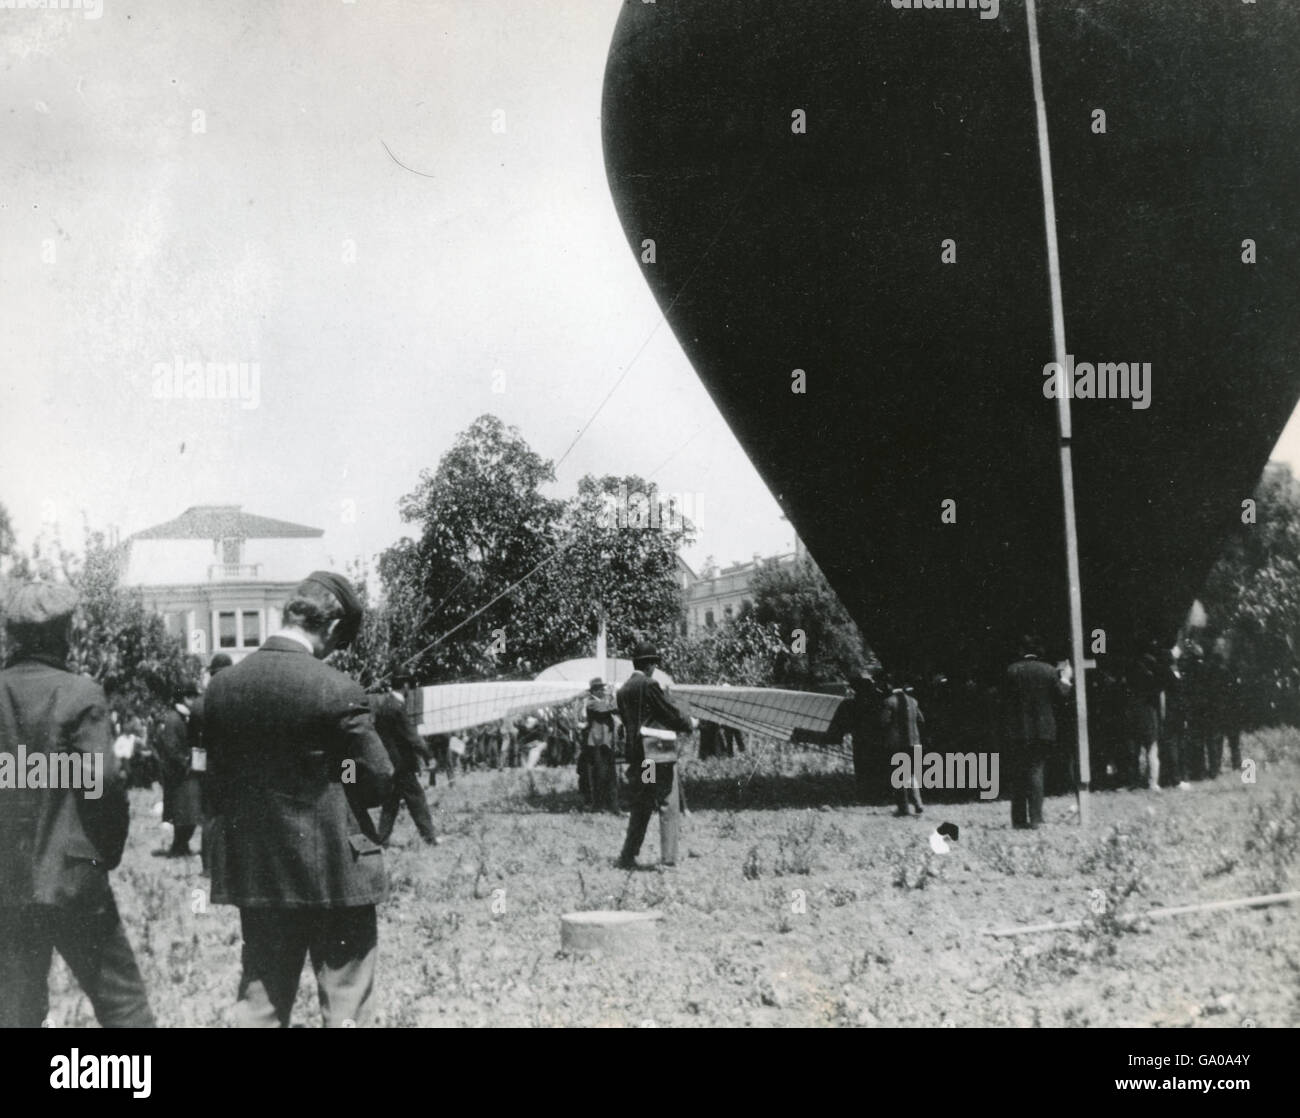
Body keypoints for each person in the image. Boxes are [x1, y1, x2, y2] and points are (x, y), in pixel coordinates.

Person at [204, 571, 394, 1028]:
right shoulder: (338, 689)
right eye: (339, 640)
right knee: (346, 1002)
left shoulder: (222, 688)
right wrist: (340, 772)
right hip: (335, 872)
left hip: (260, 871)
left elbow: (220, 780)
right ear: (330, 628)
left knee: (260, 1001)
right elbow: (378, 778)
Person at [0, 581, 155, 1028]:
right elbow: (102, 783)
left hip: (7, 885)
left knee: (16, 1010)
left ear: (11, 635)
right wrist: (104, 852)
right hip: (73, 879)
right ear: (63, 634)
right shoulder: (80, 693)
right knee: (121, 1002)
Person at [616, 641, 694, 870]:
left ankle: (628, 856)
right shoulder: (650, 685)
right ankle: (668, 860)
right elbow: (667, 713)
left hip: (640, 759)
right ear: (649, 664)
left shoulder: (622, 691)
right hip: (656, 756)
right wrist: (688, 723)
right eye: (654, 663)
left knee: (642, 803)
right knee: (668, 803)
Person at [1003, 635, 1069, 829]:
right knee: (1036, 771)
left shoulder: (1012, 670)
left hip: (1017, 730)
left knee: (1018, 774)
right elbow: (1062, 695)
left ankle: (1018, 819)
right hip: (1043, 730)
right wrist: (1065, 677)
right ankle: (1036, 818)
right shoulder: (1048, 671)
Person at [371, 686, 437, 846]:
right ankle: (429, 838)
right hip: (403, 764)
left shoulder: (383, 706)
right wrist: (428, 755)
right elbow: (412, 737)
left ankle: (382, 838)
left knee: (391, 802)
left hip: (389, 762)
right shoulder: (398, 707)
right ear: (406, 685)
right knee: (417, 799)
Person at [189, 652, 232, 873]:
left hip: (206, 765)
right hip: (230, 765)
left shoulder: (198, 704)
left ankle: (208, 866)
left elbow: (191, 740)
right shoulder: (234, 699)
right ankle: (227, 865)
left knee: (209, 816)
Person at [155, 681, 203, 857]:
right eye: (192, 697)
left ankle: (181, 846)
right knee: (185, 813)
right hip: (179, 774)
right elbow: (171, 747)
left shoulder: (182, 718)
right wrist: (186, 762)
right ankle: (178, 846)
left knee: (186, 813)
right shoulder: (174, 719)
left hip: (183, 772)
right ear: (185, 698)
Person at [880, 676, 924, 817]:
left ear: (890, 685)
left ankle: (903, 808)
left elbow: (883, 721)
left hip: (897, 744)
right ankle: (918, 804)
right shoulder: (914, 701)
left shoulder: (889, 702)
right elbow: (921, 719)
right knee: (911, 774)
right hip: (914, 742)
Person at [583, 678, 620, 813]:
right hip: (597, 743)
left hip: (607, 743)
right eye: (599, 689)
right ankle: (598, 806)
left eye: (603, 688)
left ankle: (612, 806)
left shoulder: (603, 701)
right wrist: (613, 696)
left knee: (610, 775)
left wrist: (613, 697)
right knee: (599, 775)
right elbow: (607, 709)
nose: (602, 691)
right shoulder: (591, 703)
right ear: (593, 691)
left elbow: (616, 709)